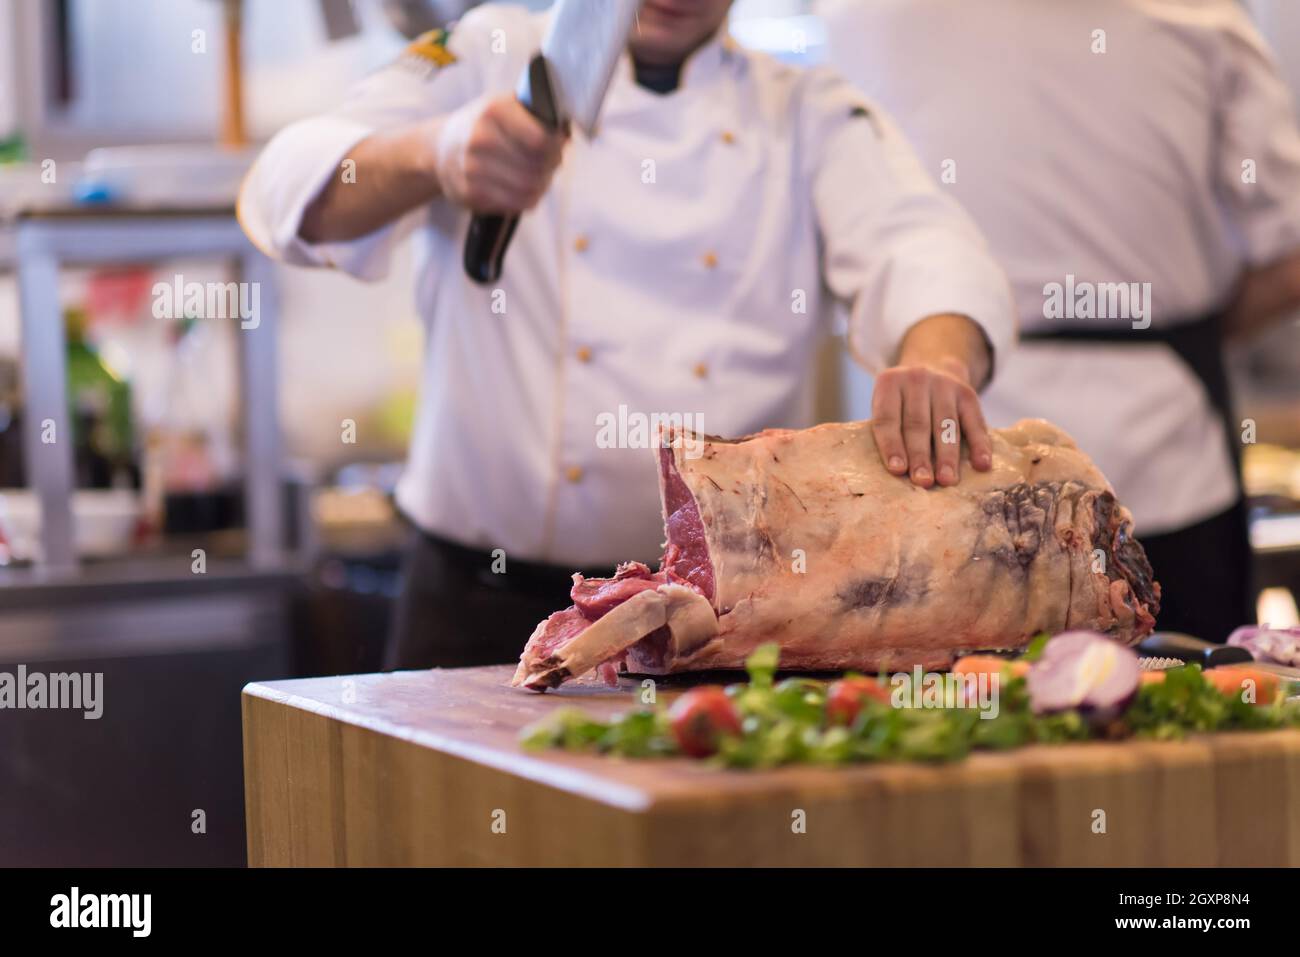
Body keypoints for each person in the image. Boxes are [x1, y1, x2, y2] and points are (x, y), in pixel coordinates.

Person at [238, 0, 1014, 669]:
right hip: (476, 606)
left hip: (708, 626)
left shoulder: (805, 109)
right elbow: (284, 188)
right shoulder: (488, 54)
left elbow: (923, 248)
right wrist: (435, 153)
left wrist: (935, 357)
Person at [822, 0, 1300, 642]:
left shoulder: (859, 16)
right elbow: (1291, 251)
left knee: (961, 722)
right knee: (1182, 715)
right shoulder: (1203, 18)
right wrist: (1198, 335)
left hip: (951, 472)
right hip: (1154, 439)